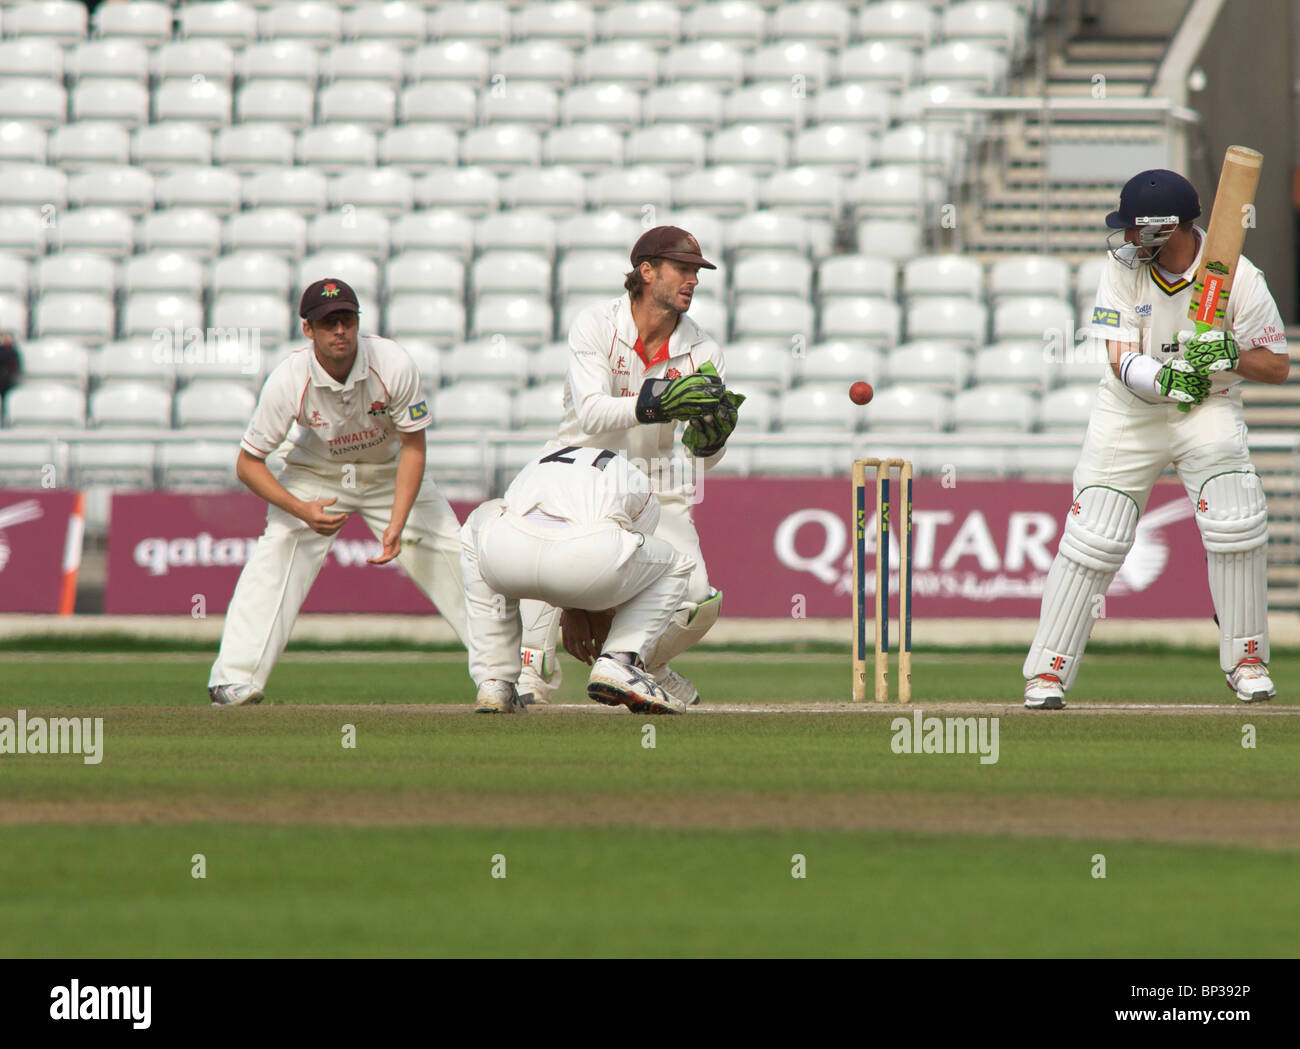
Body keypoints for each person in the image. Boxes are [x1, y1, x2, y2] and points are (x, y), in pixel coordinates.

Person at [1023, 169, 1289, 709]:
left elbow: (1277, 366)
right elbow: (1119, 358)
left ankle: (1246, 661)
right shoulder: (1121, 273)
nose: (1124, 239)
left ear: (1166, 229)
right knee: (1094, 535)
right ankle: (1047, 671)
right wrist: (1162, 377)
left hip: (1206, 406)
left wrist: (1233, 356)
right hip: (1130, 412)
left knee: (1235, 520)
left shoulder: (1239, 277)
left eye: (1133, 229)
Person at [207, 278, 468, 706]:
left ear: (358, 322)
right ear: (308, 329)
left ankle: (507, 675)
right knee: (277, 553)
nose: (340, 330)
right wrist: (300, 508)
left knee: (456, 556)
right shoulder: (288, 379)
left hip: (389, 470)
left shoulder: (393, 363)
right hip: (318, 473)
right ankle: (234, 678)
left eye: (346, 319)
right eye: (328, 323)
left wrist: (398, 524)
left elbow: (414, 448)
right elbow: (248, 463)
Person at [516, 226, 741, 707]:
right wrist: (656, 403)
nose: (693, 281)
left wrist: (714, 437)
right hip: (579, 468)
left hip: (653, 481)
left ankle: (637, 664)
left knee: (697, 600)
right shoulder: (596, 324)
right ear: (646, 271)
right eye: (682, 269)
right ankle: (529, 677)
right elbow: (594, 412)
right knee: (540, 562)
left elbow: (701, 454)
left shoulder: (703, 352)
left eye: (697, 272)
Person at [461, 445, 695, 715]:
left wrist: (574, 610)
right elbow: (624, 565)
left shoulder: (540, 462)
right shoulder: (640, 485)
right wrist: (587, 609)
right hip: (586, 562)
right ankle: (619, 661)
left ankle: (494, 680)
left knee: (474, 529)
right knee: (676, 564)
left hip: (506, 555)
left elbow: (543, 535)